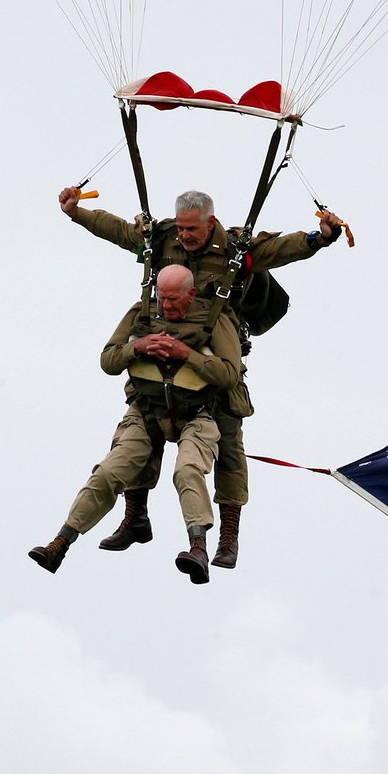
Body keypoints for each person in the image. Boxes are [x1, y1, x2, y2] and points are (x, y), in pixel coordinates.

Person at [58, 186, 345, 569]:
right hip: (161, 357)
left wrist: (321, 238)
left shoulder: (235, 251)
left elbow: (281, 250)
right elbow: (124, 233)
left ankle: (227, 538)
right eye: (181, 228)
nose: (185, 236)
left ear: (210, 223)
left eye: (192, 229)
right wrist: (77, 213)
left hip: (213, 356)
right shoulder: (164, 240)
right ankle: (135, 518)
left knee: (227, 447)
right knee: (142, 427)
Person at [29, 265, 242, 585]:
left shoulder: (216, 318)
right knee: (108, 471)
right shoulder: (141, 314)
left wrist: (187, 354)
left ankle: (198, 547)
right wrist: (137, 348)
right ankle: (61, 542)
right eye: (163, 298)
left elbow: (229, 374)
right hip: (146, 411)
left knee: (187, 470)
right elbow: (109, 360)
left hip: (197, 413)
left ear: (191, 294)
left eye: (174, 300)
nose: (167, 306)